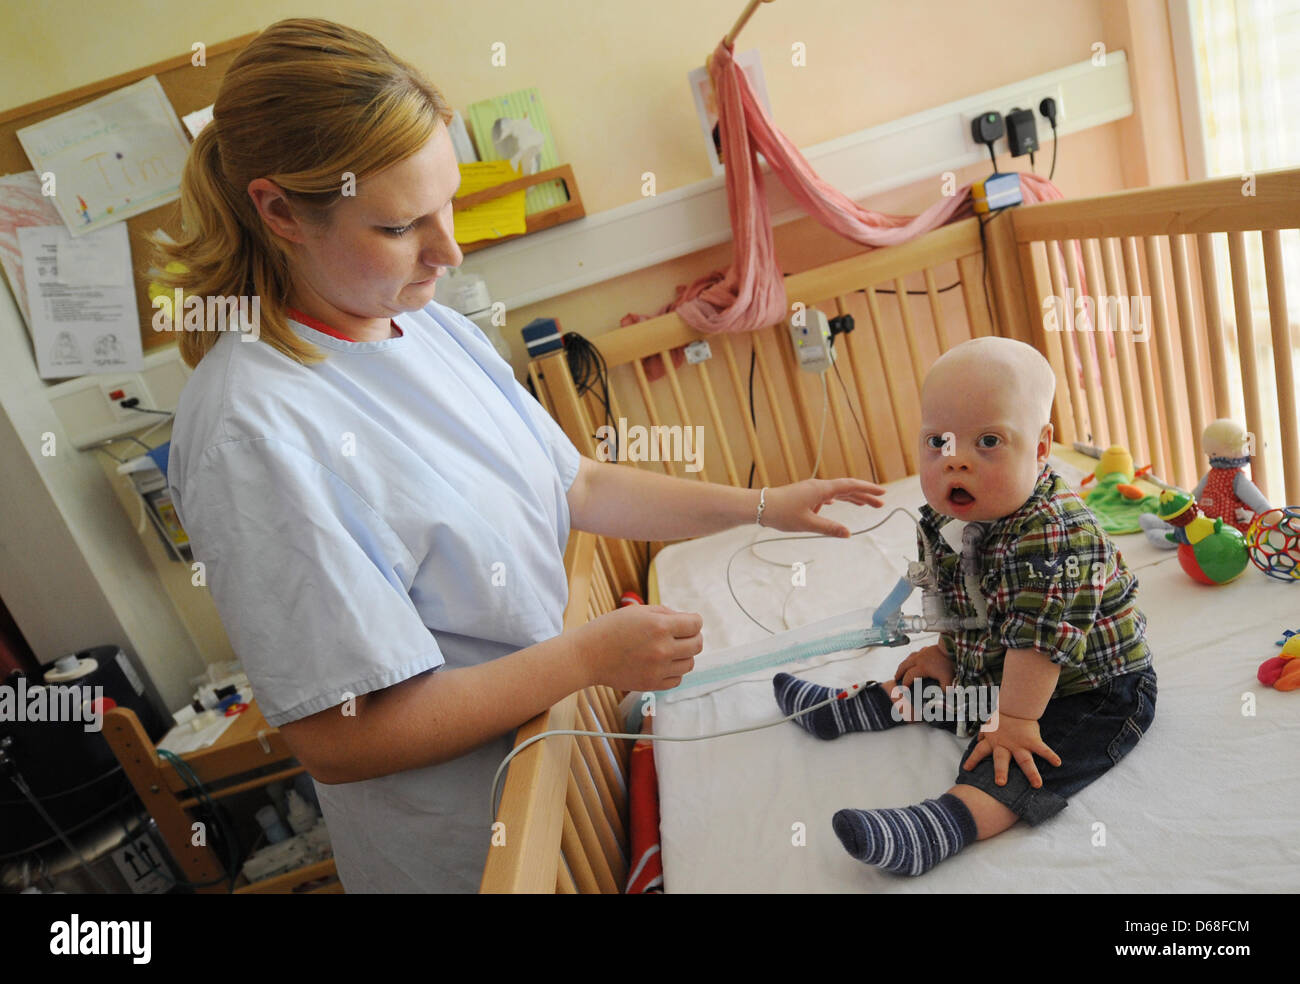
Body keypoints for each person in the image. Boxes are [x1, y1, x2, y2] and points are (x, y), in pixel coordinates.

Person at [159, 18, 885, 893]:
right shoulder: (252, 429)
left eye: (449, 207)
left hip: (560, 760)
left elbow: (576, 480)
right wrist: (585, 657)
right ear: (279, 211)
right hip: (472, 844)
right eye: (400, 227)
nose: (450, 250)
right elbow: (342, 736)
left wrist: (762, 505)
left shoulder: (423, 324)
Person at [774, 336, 1157, 876]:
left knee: (1019, 757)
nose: (955, 462)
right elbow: (959, 597)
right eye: (938, 442)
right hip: (1005, 666)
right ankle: (852, 708)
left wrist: (1016, 718)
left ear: (1042, 447)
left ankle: (943, 824)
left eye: (989, 441)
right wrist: (947, 651)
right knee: (935, 686)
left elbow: (1040, 643)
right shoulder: (944, 520)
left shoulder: (1055, 536)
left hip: (1089, 684)